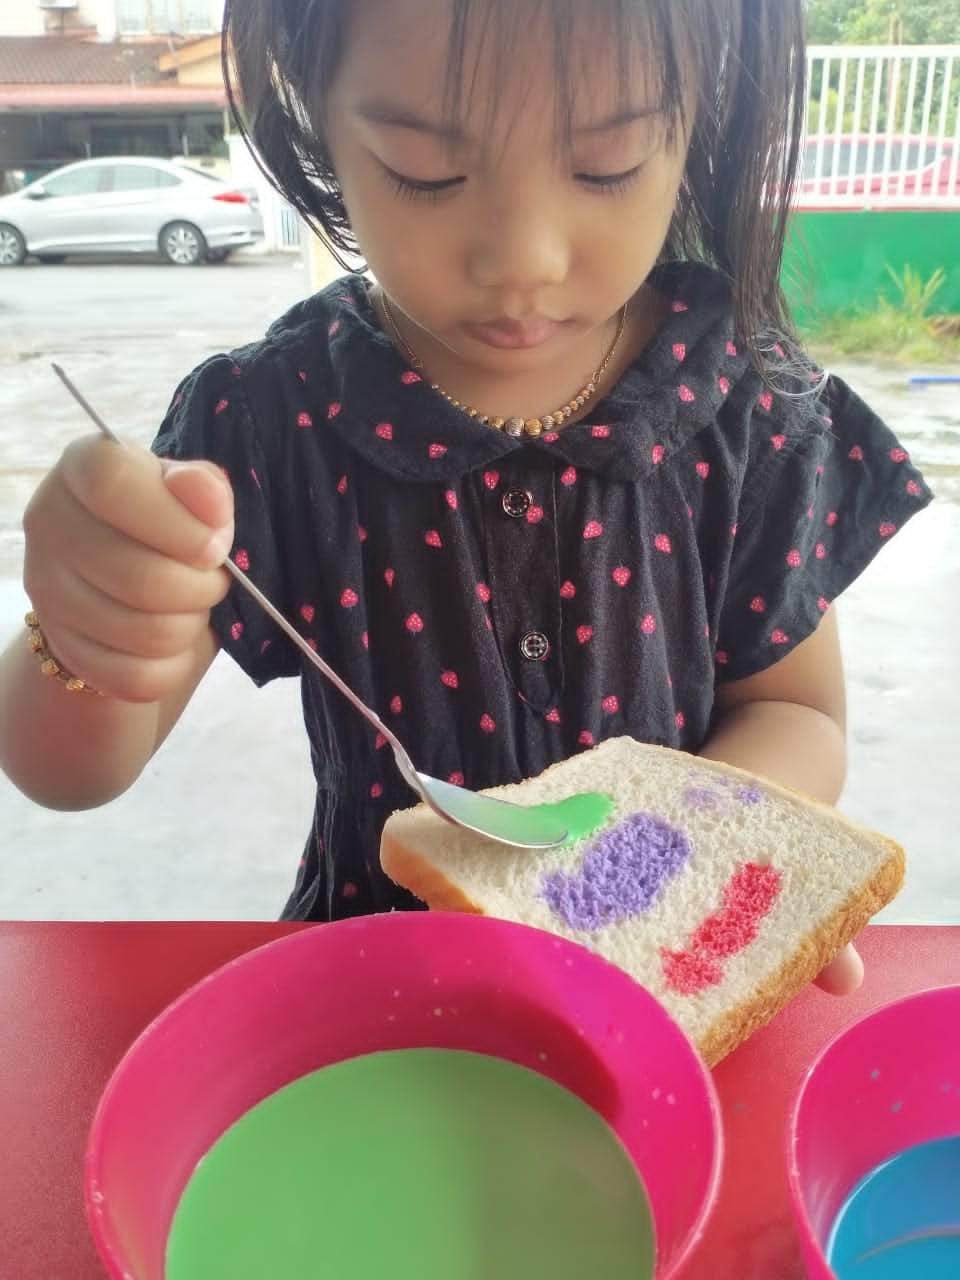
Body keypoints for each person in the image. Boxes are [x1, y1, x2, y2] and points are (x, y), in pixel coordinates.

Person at [0, 0, 931, 993]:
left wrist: (695, 866)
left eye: (606, 166)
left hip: (659, 995)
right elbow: (69, 771)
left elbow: (800, 714)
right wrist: (88, 629)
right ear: (317, 118)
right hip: (376, 998)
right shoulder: (269, 422)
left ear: (697, 118)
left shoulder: (741, 403)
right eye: (426, 172)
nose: (523, 257)